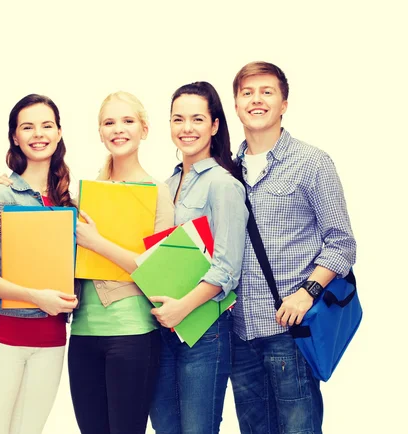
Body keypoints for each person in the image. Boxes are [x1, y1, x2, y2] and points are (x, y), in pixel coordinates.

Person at [229, 61, 357, 434]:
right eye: (247, 93)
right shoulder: (226, 170)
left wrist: (307, 292)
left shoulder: (312, 163)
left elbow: (342, 243)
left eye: (267, 92)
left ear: (284, 103)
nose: (257, 100)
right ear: (236, 104)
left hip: (290, 331)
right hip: (240, 331)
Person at [0, 94, 78, 434]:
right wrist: (34, 295)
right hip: (2, 337)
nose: (38, 134)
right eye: (27, 127)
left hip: (52, 340)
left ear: (58, 134)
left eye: (46, 126)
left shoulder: (72, 203)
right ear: (15, 136)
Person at [68, 91, 175, 434]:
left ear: (144, 129)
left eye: (128, 121)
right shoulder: (83, 194)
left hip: (132, 333)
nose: (118, 129)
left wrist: (96, 242)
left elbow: (155, 271)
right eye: (109, 122)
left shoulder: (158, 192)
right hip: (82, 333)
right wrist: (7, 183)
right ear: (100, 132)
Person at [148, 82, 248, 434]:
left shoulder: (223, 185)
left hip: (204, 329)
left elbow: (226, 269)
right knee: (165, 427)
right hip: (162, 328)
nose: (186, 128)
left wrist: (181, 308)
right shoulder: (166, 183)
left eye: (197, 119)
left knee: (197, 429)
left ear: (215, 125)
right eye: (178, 119)